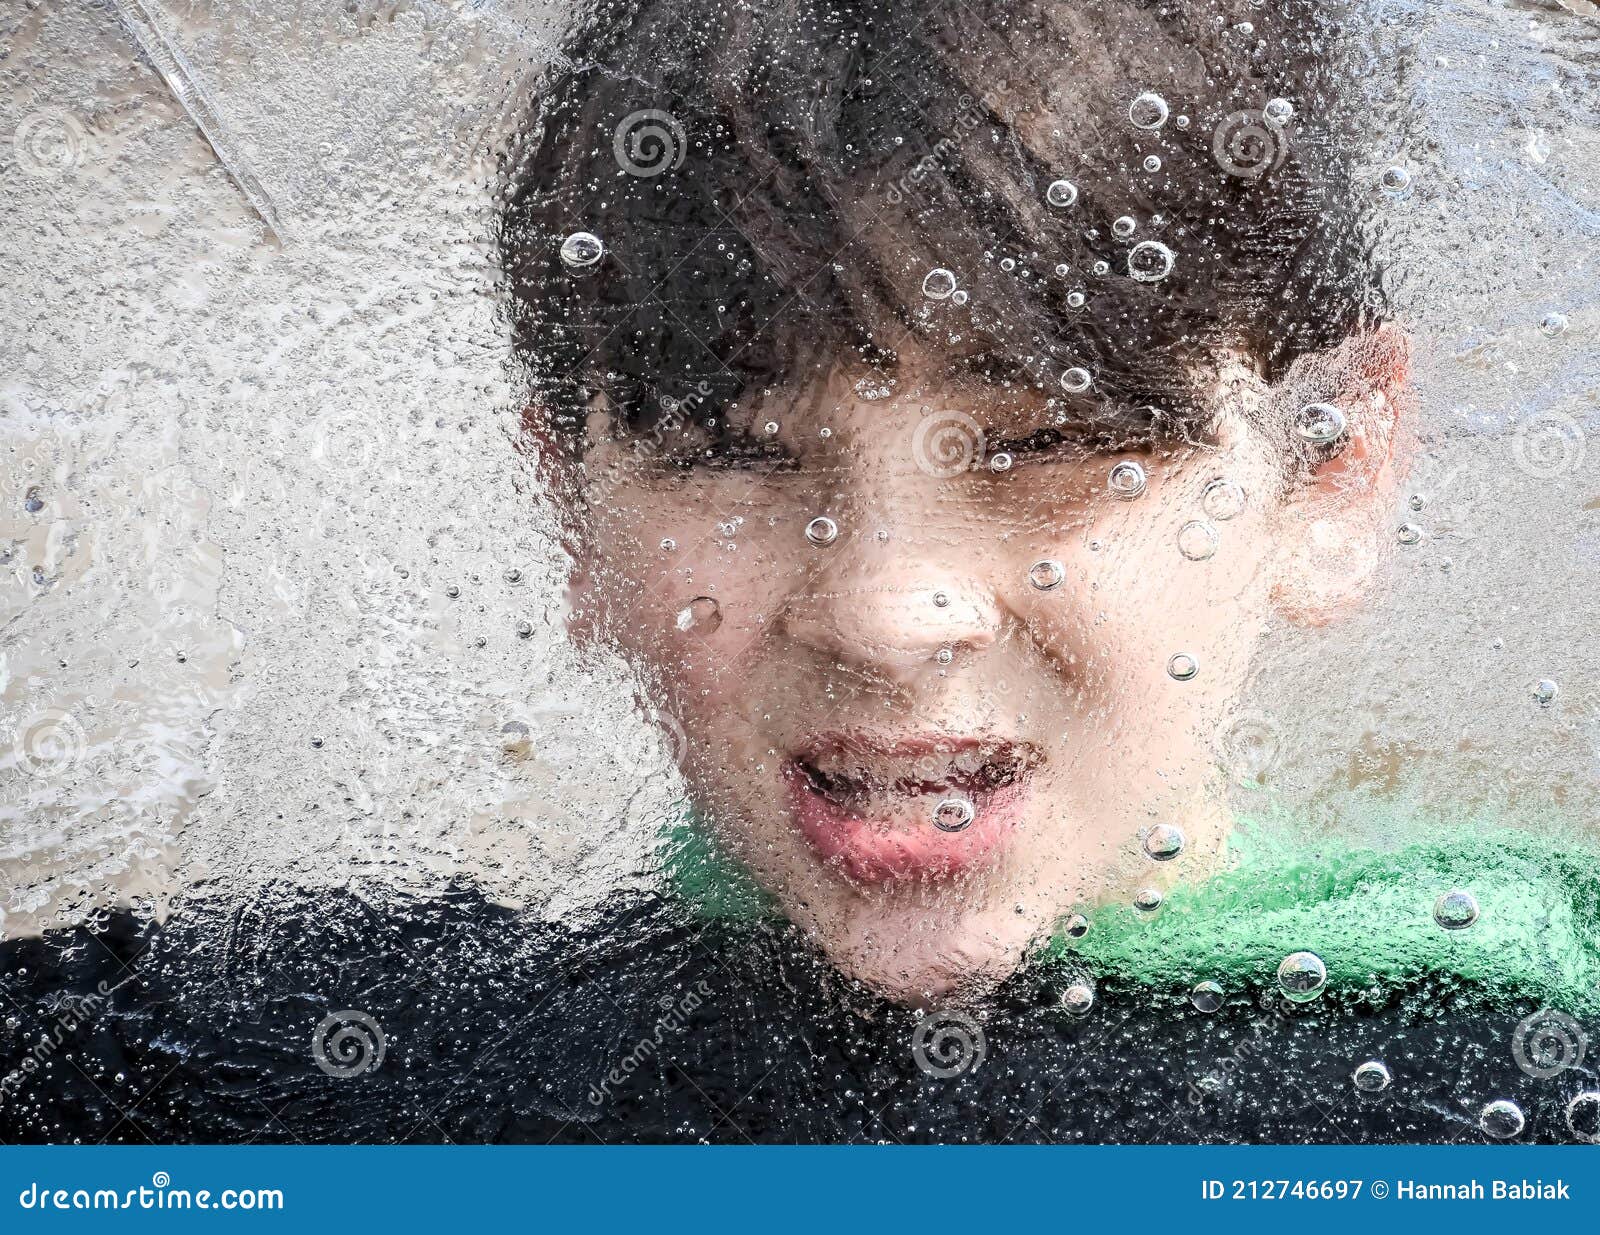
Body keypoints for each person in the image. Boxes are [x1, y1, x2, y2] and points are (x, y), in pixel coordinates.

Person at [3, 0, 1598, 1146]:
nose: (887, 616)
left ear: (1329, 472)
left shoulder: (1514, 1104)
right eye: (736, 453)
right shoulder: (309, 1075)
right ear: (572, 510)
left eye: (1047, 443)